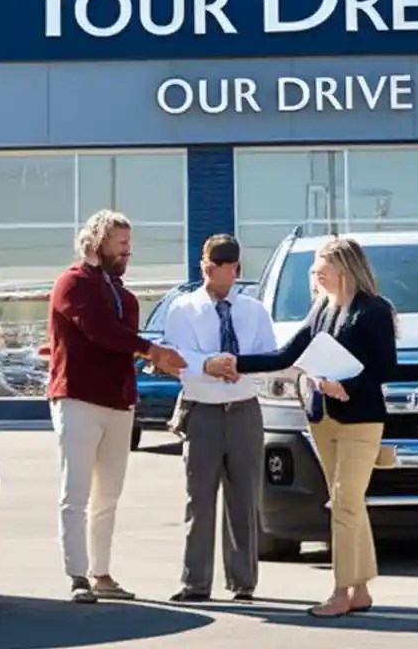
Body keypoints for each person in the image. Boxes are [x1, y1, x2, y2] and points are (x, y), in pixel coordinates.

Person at [224, 237, 398, 618]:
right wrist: (234, 363)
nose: (316, 276)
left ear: (344, 269)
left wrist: (346, 387)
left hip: (361, 417)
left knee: (344, 500)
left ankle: (340, 592)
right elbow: (286, 355)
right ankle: (361, 588)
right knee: (348, 503)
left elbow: (386, 368)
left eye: (322, 268)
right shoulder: (321, 309)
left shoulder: (373, 311)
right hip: (323, 418)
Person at [46, 209, 188, 604]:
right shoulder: (71, 284)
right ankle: (77, 575)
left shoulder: (124, 297)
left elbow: (121, 344)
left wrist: (154, 357)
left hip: (119, 403)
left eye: (129, 244)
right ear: (97, 243)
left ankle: (101, 573)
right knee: (75, 492)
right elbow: (99, 332)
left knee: (107, 494)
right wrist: (150, 349)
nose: (129, 251)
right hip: (77, 399)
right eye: (121, 243)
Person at [162, 234, 276, 603]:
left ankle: (243, 582)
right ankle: (195, 583)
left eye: (222, 265)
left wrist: (240, 368)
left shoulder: (255, 311)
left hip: (244, 409)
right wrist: (207, 365)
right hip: (203, 411)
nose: (212, 271)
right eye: (208, 264)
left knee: (243, 498)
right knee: (199, 498)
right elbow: (176, 356)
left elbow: (269, 358)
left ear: (236, 269)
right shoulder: (183, 308)